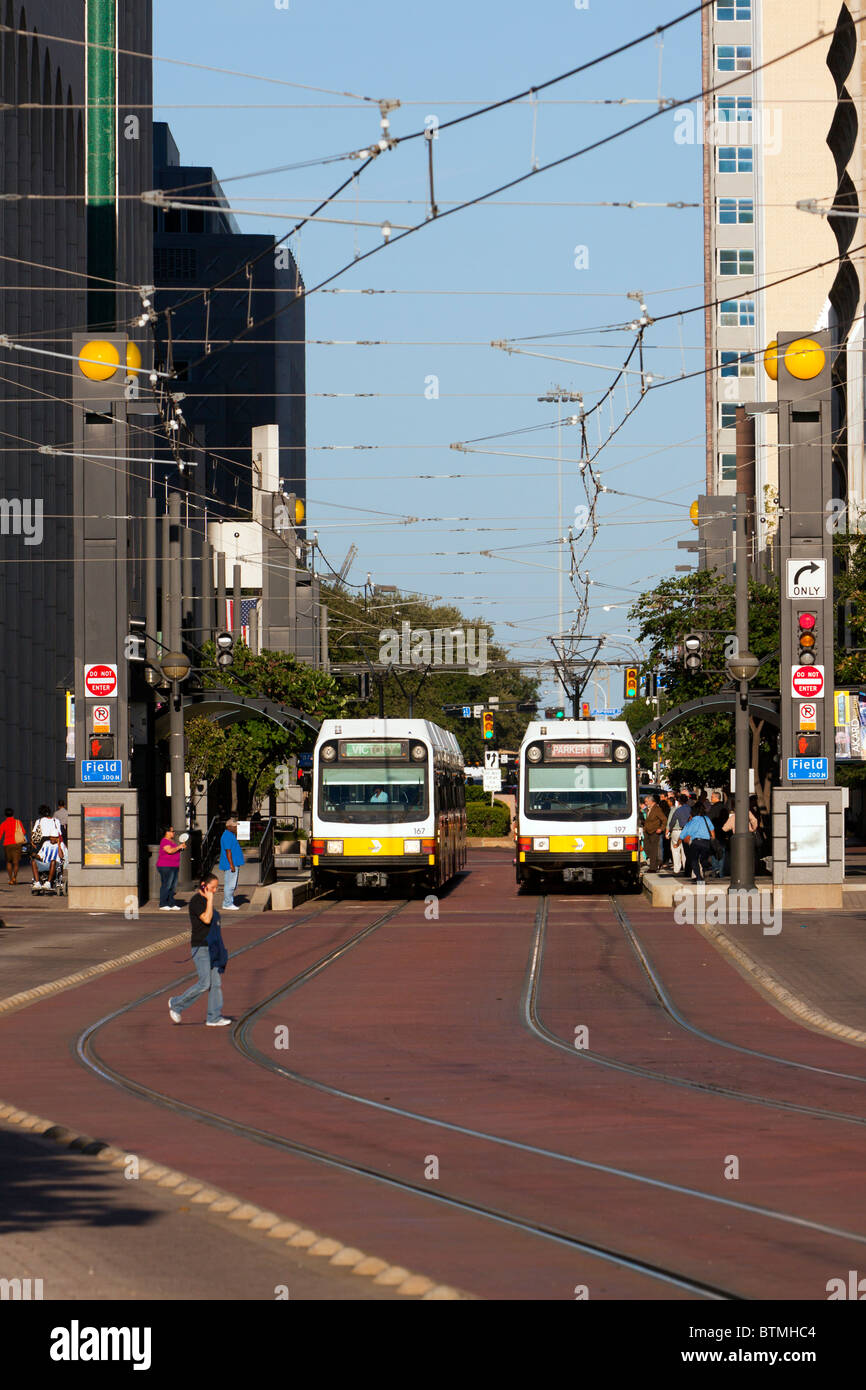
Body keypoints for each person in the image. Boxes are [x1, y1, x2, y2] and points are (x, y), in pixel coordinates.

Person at [168, 872, 231, 1027]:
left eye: (217, 888)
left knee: (215, 984)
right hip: (201, 948)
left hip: (214, 949)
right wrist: (209, 900)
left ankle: (214, 1017)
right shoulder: (196, 901)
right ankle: (176, 1004)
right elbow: (207, 919)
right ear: (203, 885)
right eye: (213, 887)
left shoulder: (207, 901)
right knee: (205, 983)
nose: (215, 891)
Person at [682, 806, 717, 882]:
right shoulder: (706, 819)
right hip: (706, 842)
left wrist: (684, 838)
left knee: (694, 860)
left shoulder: (692, 820)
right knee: (704, 859)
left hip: (696, 842)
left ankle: (698, 877)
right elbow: (712, 831)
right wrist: (713, 839)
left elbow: (686, 833)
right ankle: (705, 869)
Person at [219, 815, 245, 910]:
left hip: (233, 863)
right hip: (230, 864)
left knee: (232, 884)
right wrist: (231, 865)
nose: (236, 828)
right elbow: (228, 851)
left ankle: (228, 902)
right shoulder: (227, 836)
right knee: (230, 884)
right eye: (235, 826)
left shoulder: (231, 835)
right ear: (229, 827)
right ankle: (227, 903)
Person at [157, 825, 185, 910]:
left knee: (173, 886)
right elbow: (169, 851)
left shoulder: (171, 841)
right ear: (167, 832)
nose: (174, 833)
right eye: (172, 831)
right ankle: (163, 904)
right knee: (167, 885)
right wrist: (179, 847)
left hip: (174, 865)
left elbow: (174, 850)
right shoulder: (164, 841)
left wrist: (181, 848)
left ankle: (171, 903)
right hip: (166, 866)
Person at [666, 793, 692, 877]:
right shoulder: (690, 809)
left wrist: (669, 830)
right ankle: (686, 867)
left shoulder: (676, 810)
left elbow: (672, 821)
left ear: (679, 801)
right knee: (686, 850)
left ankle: (677, 868)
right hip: (688, 831)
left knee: (675, 849)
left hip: (676, 831)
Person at [642, 794, 667, 873]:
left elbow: (664, 819)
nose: (645, 803)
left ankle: (653, 868)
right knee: (646, 848)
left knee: (653, 850)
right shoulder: (648, 809)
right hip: (647, 831)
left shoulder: (657, 809)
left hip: (654, 832)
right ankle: (657, 862)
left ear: (650, 801)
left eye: (646, 801)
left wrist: (661, 828)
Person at [0, 807, 25, 884]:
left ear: (5, 815)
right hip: (17, 844)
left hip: (7, 844)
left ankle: (11, 879)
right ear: (13, 814)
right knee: (16, 862)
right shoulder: (18, 822)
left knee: (8, 862)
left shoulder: (3, 824)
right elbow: (23, 832)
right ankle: (15, 878)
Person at [708, 793, 729, 878]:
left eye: (712, 797)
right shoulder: (724, 807)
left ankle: (715, 869)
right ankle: (721, 871)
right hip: (723, 832)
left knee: (714, 850)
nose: (711, 798)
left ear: (716, 798)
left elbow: (709, 819)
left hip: (714, 832)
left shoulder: (714, 808)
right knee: (722, 851)